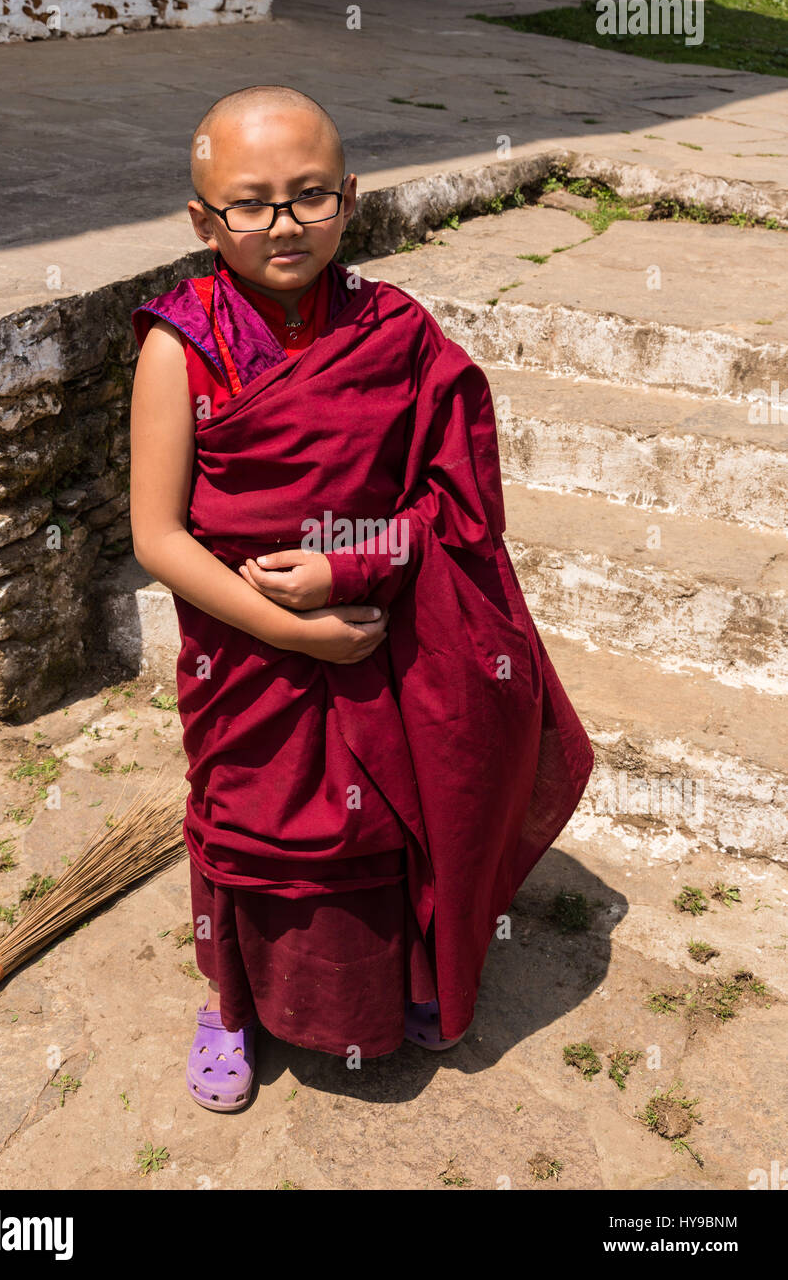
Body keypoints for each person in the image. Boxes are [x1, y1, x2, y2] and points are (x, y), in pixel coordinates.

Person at [129, 84, 594, 1112]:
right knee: (248, 824)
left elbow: (460, 499)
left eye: (307, 196)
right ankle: (231, 1006)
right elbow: (156, 534)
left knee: (380, 821)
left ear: (349, 197)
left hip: (373, 620)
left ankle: (399, 987)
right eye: (249, 203)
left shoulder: (395, 331)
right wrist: (288, 630)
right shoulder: (180, 345)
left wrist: (347, 575)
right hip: (240, 646)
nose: (282, 224)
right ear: (204, 221)